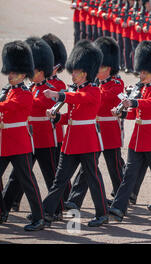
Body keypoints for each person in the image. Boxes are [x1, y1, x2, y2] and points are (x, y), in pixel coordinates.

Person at [42, 40, 109, 228]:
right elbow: (70, 118)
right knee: (60, 180)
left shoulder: (94, 90)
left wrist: (59, 95)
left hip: (87, 142)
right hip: (71, 141)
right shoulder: (75, 89)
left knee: (94, 180)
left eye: (75, 72)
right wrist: (56, 118)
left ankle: (102, 213)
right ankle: (46, 212)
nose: (73, 75)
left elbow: (79, 99)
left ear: (85, 73)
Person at [109, 41, 151, 223]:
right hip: (138, 137)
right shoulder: (142, 88)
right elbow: (135, 113)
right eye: (141, 70)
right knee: (129, 173)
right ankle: (118, 207)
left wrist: (134, 103)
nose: (142, 74)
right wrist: (121, 112)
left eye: (145, 71)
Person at [64, 37, 125, 210]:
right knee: (88, 168)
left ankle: (122, 198)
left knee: (115, 168)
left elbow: (103, 98)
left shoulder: (117, 83)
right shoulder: (94, 84)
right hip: (94, 131)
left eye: (101, 67)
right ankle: (75, 200)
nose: (97, 70)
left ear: (109, 68)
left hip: (109, 129)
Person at [0, 41, 45, 231]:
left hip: (19, 143)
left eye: (14, 73)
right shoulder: (9, 90)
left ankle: (39, 217)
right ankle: (2, 211)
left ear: (23, 74)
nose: (10, 76)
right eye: (10, 72)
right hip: (5, 142)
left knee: (28, 181)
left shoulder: (25, 94)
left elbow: (6, 107)